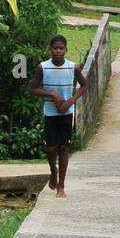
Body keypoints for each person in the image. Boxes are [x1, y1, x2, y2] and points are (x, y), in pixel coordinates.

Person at [29, 35, 87, 198]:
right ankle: (53, 172)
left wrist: (71, 101)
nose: (58, 51)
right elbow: (32, 89)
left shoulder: (72, 67)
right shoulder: (43, 67)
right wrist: (51, 94)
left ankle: (61, 186)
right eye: (55, 48)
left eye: (61, 48)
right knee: (50, 148)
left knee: (63, 148)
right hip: (50, 113)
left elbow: (84, 85)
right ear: (51, 49)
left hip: (67, 114)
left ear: (66, 50)